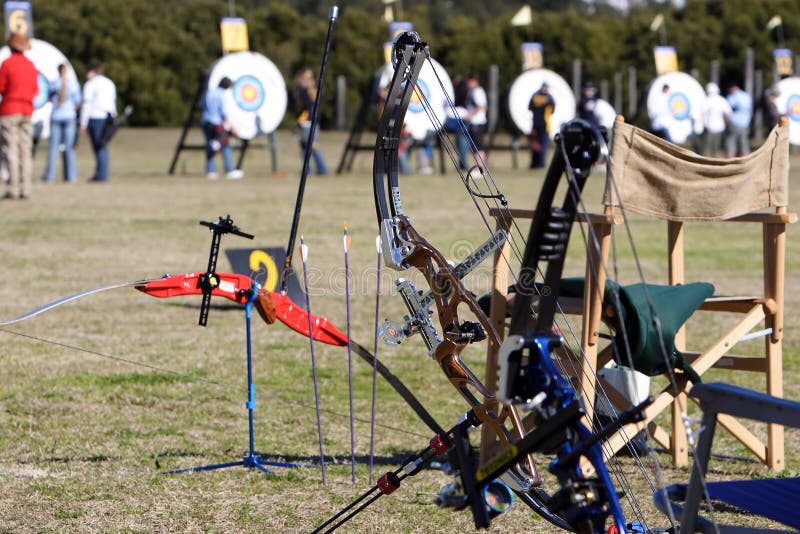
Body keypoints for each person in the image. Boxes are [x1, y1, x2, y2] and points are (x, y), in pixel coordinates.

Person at [0, 32, 38, 200]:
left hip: (10, 110)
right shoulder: (31, 65)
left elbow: (1, 87)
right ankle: (26, 189)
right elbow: (36, 90)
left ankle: (13, 188)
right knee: (25, 150)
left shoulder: (7, 64)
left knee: (11, 150)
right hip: (27, 111)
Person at [42, 63, 81, 183]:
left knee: (53, 148)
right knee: (69, 148)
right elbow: (78, 102)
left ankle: (49, 176)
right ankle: (71, 177)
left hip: (56, 117)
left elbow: (47, 98)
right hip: (70, 117)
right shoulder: (73, 84)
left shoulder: (53, 84)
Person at [80, 63, 117, 182]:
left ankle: (101, 175)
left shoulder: (90, 85)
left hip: (94, 117)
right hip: (107, 117)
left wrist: (83, 123)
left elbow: (87, 104)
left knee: (99, 146)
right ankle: (101, 173)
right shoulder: (109, 83)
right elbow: (112, 101)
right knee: (102, 145)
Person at [200, 76, 242, 180]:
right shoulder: (222, 95)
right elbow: (224, 112)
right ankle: (229, 170)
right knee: (225, 144)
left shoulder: (209, 92)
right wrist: (232, 127)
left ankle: (211, 171)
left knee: (210, 144)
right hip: (217, 123)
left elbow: (202, 105)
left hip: (205, 121)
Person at [293, 67, 328, 175]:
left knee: (313, 146)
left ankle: (322, 169)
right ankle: (307, 170)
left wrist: (310, 88)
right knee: (305, 148)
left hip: (309, 123)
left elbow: (311, 103)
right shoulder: (301, 91)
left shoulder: (310, 91)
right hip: (304, 123)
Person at [464, 72, 488, 175]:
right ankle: (479, 168)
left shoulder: (478, 91)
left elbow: (482, 106)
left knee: (479, 147)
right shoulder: (472, 91)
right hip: (473, 122)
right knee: (475, 147)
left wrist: (470, 114)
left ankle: (481, 170)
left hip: (477, 122)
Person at [528, 82, 555, 168]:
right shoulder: (549, 98)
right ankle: (537, 164)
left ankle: (538, 163)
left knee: (540, 146)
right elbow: (552, 110)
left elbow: (530, 107)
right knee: (539, 146)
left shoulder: (535, 96)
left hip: (541, 125)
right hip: (541, 125)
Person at [701, 82, 731, 157]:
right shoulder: (722, 100)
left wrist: (703, 124)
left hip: (709, 127)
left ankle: (706, 161)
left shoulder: (707, 100)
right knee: (717, 148)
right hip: (720, 127)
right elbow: (728, 113)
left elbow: (702, 113)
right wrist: (724, 122)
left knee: (707, 148)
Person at [725, 82, 752, 157]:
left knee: (731, 141)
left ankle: (730, 158)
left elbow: (728, 110)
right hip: (745, 122)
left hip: (734, 121)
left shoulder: (732, 96)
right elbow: (750, 110)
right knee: (744, 142)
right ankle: (745, 158)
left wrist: (726, 121)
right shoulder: (747, 96)